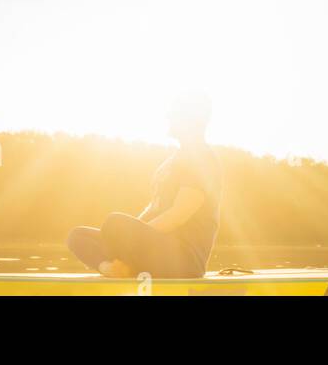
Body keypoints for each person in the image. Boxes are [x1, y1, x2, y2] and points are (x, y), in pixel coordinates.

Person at [67, 92, 224, 279]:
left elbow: (177, 216)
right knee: (78, 236)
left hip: (183, 259)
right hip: (153, 248)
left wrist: (130, 236)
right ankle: (113, 269)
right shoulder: (174, 159)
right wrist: (129, 235)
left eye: (173, 113)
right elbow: (154, 207)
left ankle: (129, 264)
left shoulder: (202, 158)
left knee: (115, 224)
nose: (168, 117)